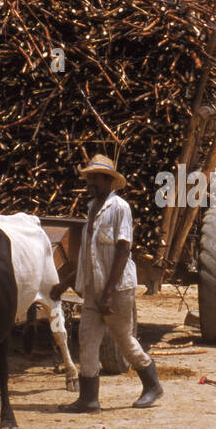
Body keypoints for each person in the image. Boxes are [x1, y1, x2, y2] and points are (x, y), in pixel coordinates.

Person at [51, 155, 163, 412]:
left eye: (94, 177)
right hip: (93, 289)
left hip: (117, 289)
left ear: (109, 180)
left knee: (124, 340)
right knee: (87, 340)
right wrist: (64, 284)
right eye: (88, 177)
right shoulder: (92, 208)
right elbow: (89, 257)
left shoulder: (120, 208)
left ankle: (153, 385)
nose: (89, 182)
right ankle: (89, 399)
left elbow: (123, 251)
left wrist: (109, 294)